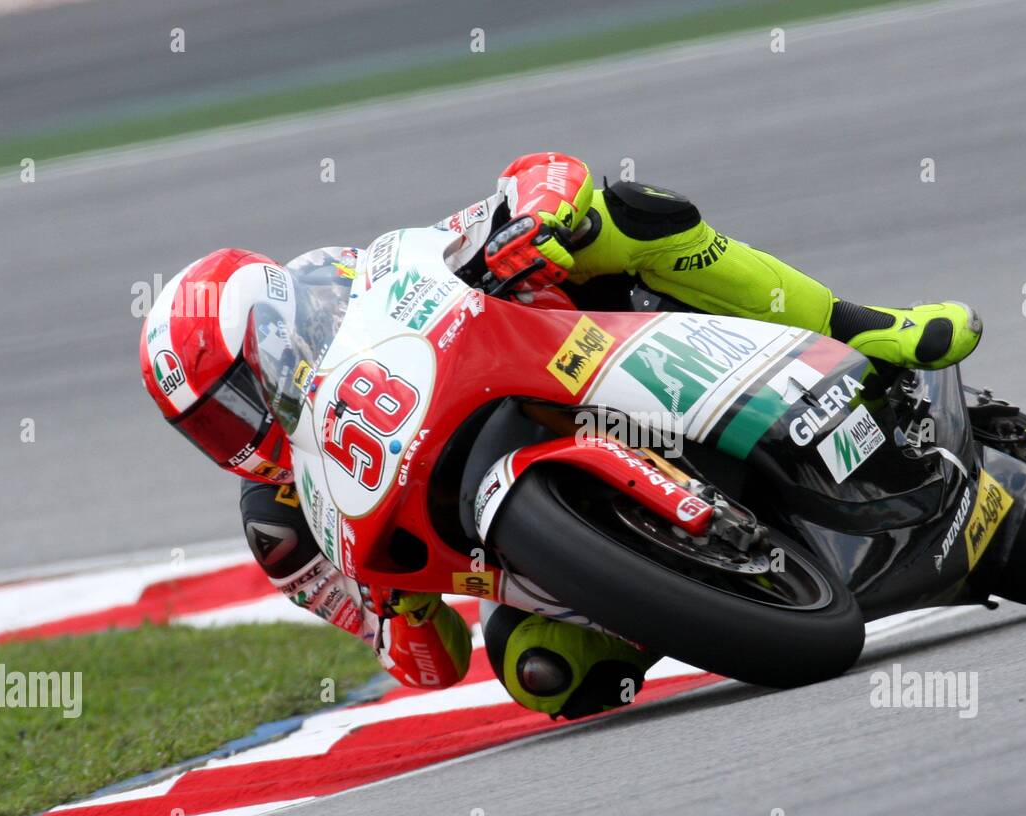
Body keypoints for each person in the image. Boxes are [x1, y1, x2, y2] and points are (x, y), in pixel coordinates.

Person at [139, 151, 982, 719]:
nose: (240, 433)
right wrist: (384, 610)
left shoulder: (369, 274)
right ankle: (689, 586)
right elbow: (429, 664)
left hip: (577, 353)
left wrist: (538, 221)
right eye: (210, 426)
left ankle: (863, 327)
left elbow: (544, 173)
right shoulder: (287, 519)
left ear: (276, 329)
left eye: (238, 397)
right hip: (542, 549)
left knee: (625, 212)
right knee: (542, 675)